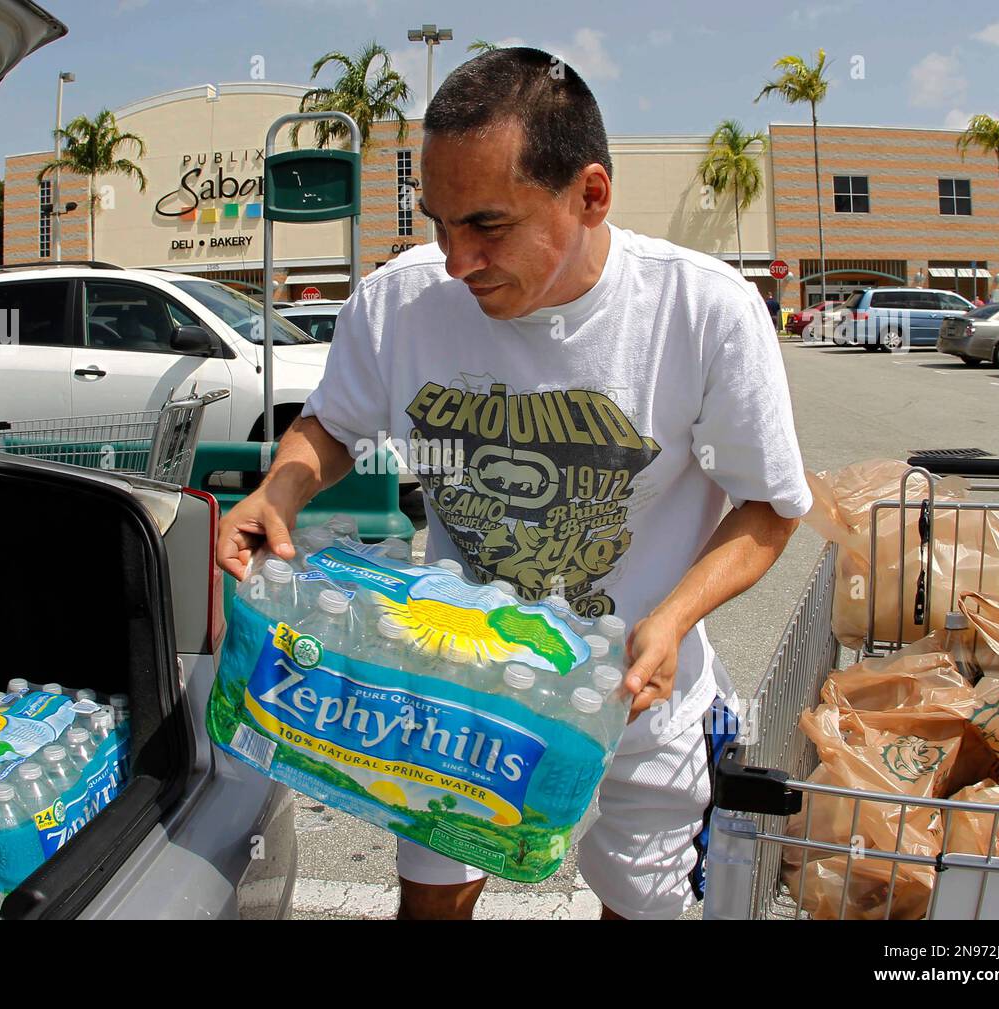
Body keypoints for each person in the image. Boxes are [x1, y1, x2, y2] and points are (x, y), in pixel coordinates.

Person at [216, 47, 812, 921]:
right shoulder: (399, 304)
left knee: (638, 907)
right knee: (430, 902)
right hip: (458, 691)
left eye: (488, 226)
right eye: (439, 223)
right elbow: (333, 425)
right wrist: (282, 490)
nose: (457, 261)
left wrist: (672, 620)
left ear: (591, 195)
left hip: (644, 697)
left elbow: (768, 507)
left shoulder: (701, 312)